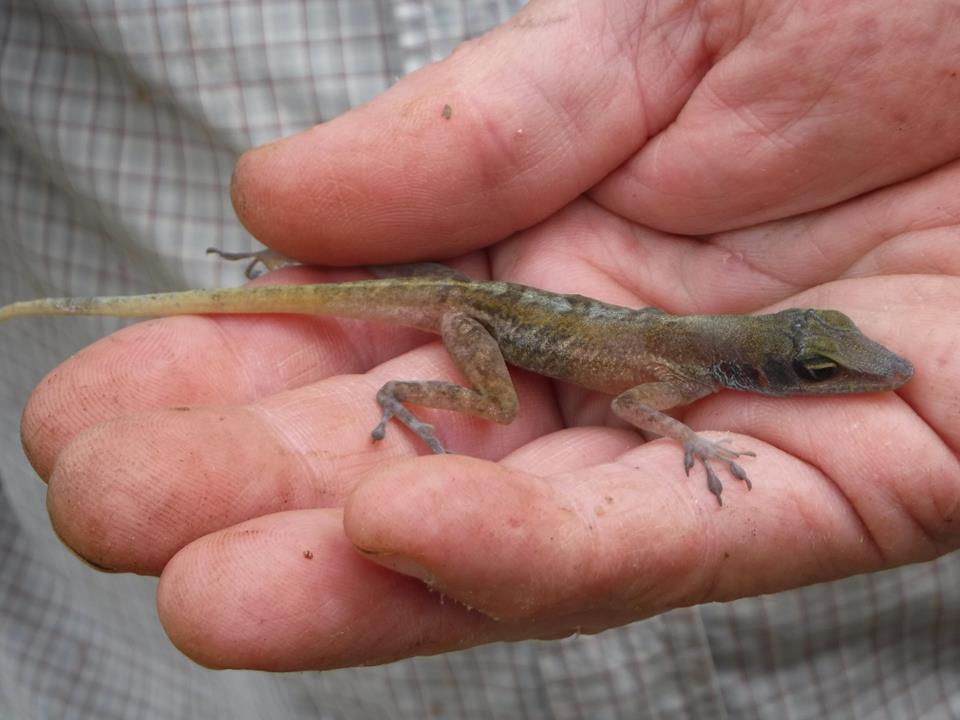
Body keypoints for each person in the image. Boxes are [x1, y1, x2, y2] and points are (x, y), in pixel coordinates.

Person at [2, 0, 958, 717]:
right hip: (486, 320)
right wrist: (691, 441)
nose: (875, 372)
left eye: (837, 364)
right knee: (495, 413)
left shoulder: (712, 349)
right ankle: (401, 389)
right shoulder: (703, 368)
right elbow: (632, 410)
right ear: (773, 368)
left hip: (499, 306)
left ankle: (337, 266)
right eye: (836, 370)